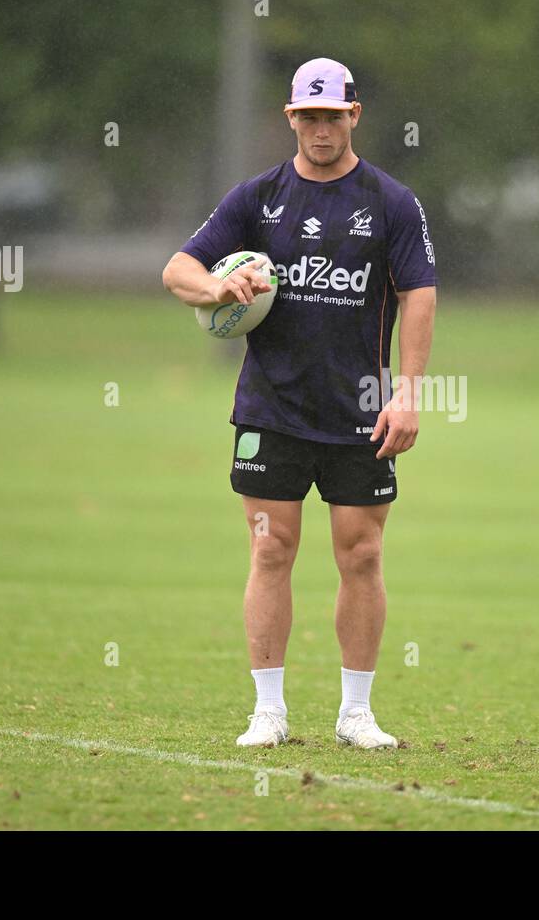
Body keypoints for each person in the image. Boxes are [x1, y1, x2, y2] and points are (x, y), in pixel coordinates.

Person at [162, 57, 438, 749]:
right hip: (271, 410)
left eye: (333, 116)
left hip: (360, 410)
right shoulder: (258, 199)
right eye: (308, 117)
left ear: (355, 114)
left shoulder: (392, 202)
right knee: (271, 550)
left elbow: (419, 295)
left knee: (363, 554)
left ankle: (356, 714)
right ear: (291, 118)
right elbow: (178, 268)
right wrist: (215, 291)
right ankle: (269, 712)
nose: (321, 129)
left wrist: (408, 393)